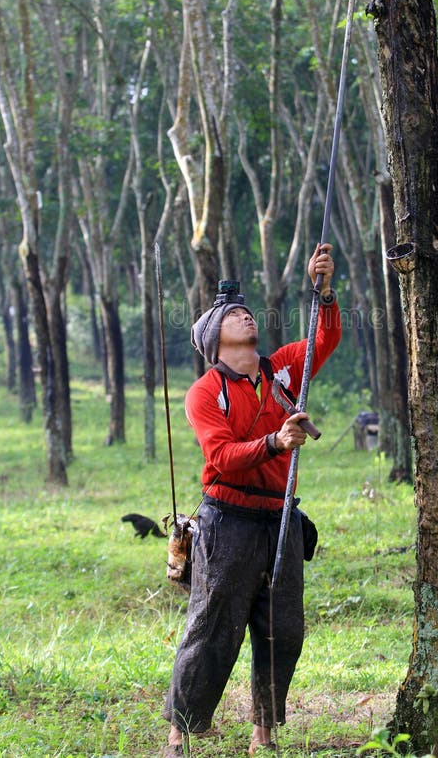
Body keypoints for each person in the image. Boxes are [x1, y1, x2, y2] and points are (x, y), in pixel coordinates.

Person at [162, 243, 341, 757]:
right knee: (213, 628)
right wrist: (275, 443)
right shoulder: (206, 391)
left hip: (280, 520)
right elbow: (220, 455)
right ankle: (180, 735)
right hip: (228, 521)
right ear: (214, 339)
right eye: (232, 314)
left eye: (245, 310)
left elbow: (324, 339)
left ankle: (263, 735)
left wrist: (323, 293)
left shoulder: (281, 370)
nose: (245, 314)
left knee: (281, 629)